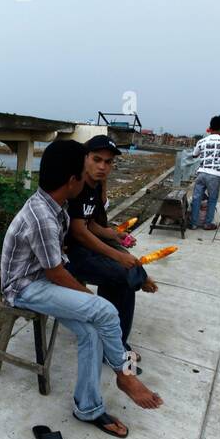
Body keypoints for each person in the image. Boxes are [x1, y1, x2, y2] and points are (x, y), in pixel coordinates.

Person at [0, 139, 163, 438]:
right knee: (104, 310)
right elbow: (56, 273)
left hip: (43, 277)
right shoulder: (43, 217)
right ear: (73, 180)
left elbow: (62, 260)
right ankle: (124, 375)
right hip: (24, 286)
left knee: (90, 331)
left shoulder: (56, 206)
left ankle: (88, 408)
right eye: (85, 171)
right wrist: (87, 298)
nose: (94, 173)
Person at [64, 134, 157, 362]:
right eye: (97, 159)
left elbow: (92, 224)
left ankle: (110, 338)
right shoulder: (76, 185)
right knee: (125, 277)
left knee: (122, 274)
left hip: (86, 248)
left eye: (108, 162)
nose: (103, 166)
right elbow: (79, 231)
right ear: (85, 157)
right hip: (68, 254)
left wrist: (114, 234)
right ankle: (115, 348)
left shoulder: (94, 187)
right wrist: (116, 254)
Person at [189, 116, 220, 231]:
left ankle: (193, 223)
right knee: (212, 199)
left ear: (210, 127)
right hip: (214, 175)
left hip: (201, 173)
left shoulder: (202, 141)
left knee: (197, 198)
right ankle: (208, 223)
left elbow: (194, 155)